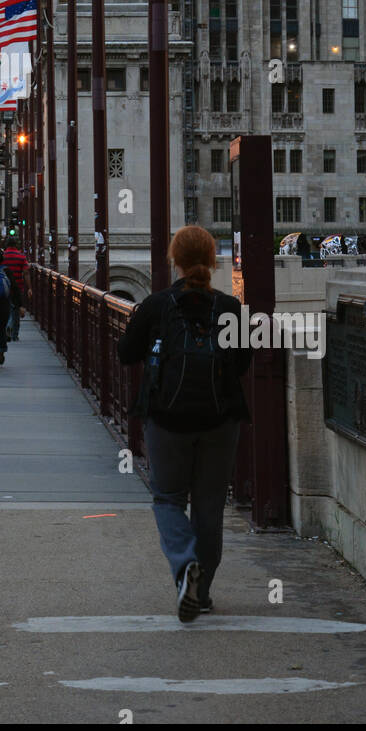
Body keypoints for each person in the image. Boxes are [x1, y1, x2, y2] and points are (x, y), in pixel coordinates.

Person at [117, 225, 251, 623]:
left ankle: (184, 565)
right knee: (209, 505)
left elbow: (126, 354)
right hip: (220, 418)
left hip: (167, 417)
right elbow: (242, 363)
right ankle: (202, 592)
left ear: (174, 260)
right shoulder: (228, 308)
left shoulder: (157, 305)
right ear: (212, 261)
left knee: (168, 498)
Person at [2, 235, 30, 341]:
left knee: (5, 310)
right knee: (16, 311)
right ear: (16, 244)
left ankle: (6, 330)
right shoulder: (21, 257)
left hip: (3, 287)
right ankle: (14, 335)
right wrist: (30, 287)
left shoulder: (2, 256)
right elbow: (26, 272)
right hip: (18, 288)